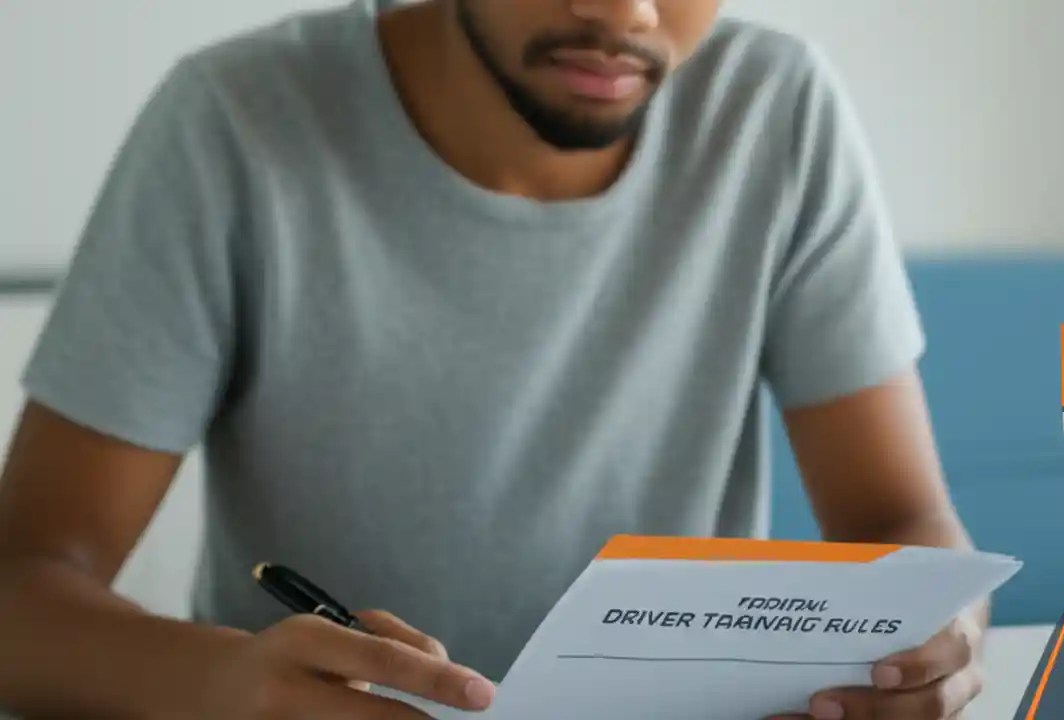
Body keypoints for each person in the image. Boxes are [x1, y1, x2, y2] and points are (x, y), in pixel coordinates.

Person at [0, 0, 987, 717]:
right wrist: (222, 682)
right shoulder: (235, 120)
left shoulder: (776, 109)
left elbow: (898, 523)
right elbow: (22, 594)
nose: (623, 13)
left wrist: (939, 637)